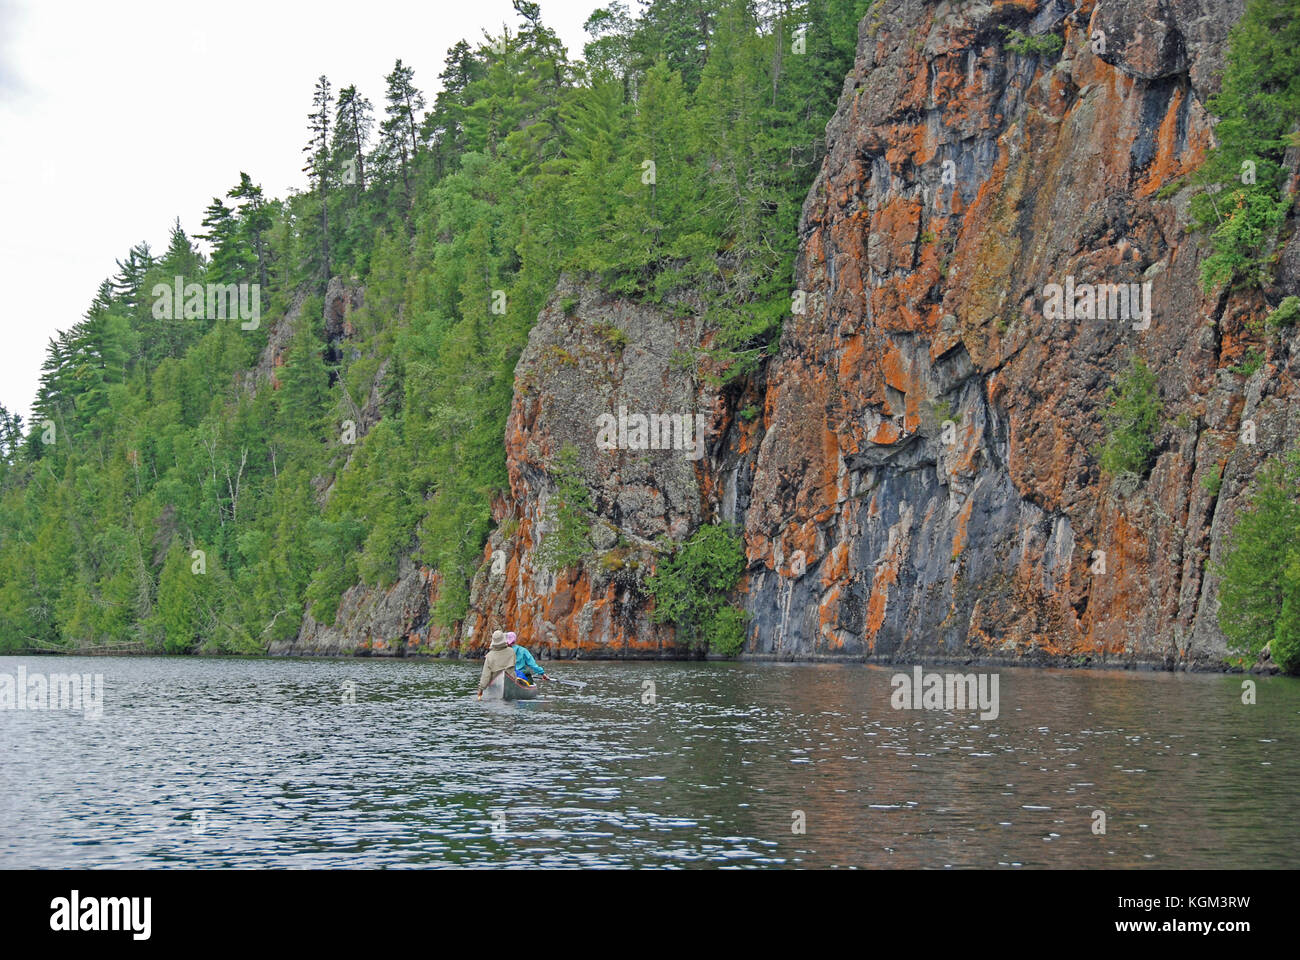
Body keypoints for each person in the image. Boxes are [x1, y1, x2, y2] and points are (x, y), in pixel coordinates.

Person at [477, 630, 517, 699]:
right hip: (511, 679)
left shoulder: (489, 656)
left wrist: (481, 689)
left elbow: (485, 676)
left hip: (495, 681)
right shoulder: (511, 651)